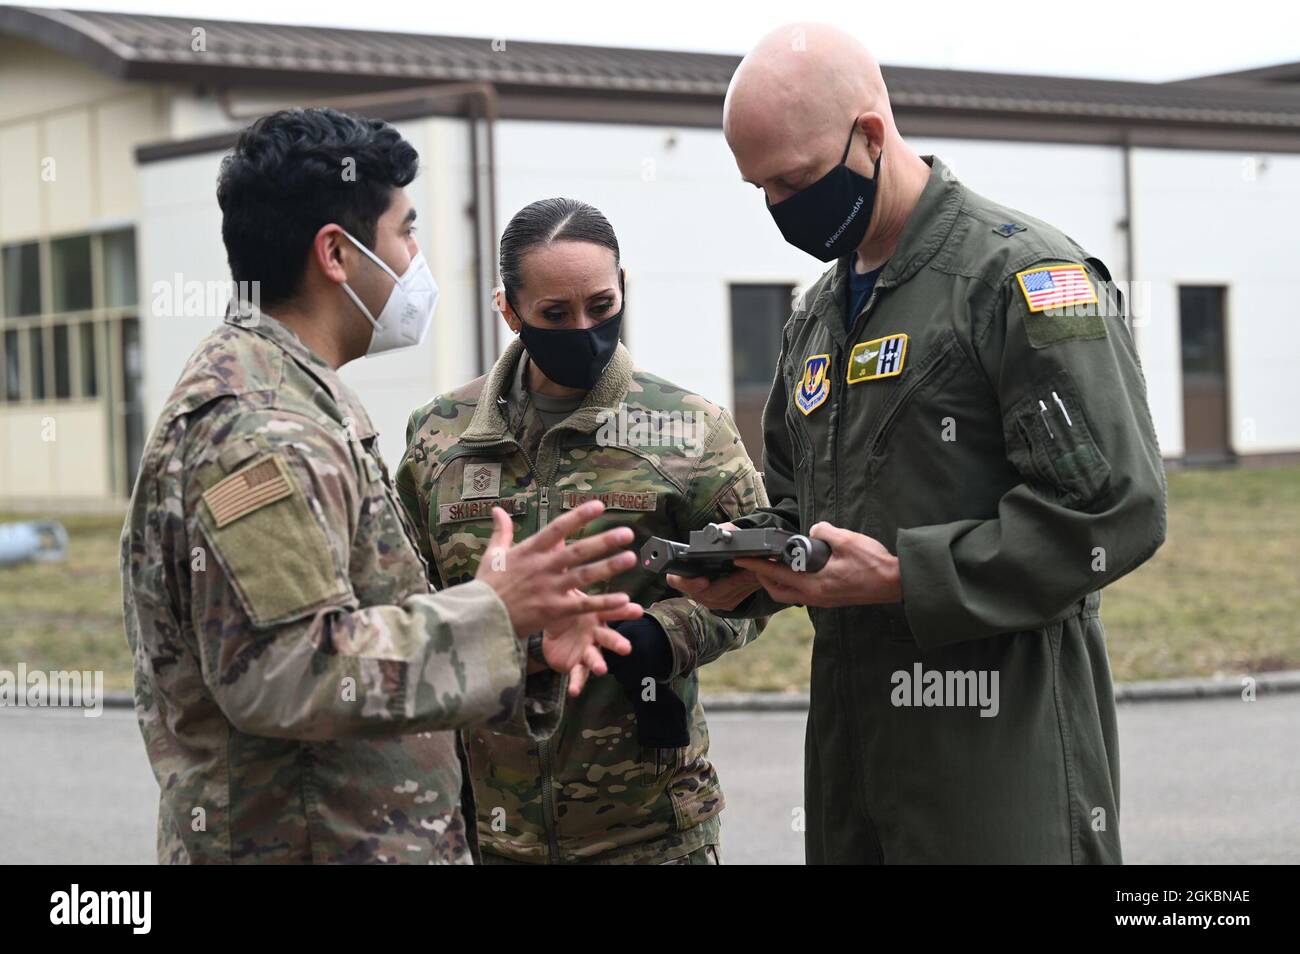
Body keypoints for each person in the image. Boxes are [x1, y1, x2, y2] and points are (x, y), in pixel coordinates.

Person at [674, 24, 1167, 863]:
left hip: (998, 762)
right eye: (759, 187)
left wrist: (908, 578)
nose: (779, 208)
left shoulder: (1024, 281)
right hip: (854, 765)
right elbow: (804, 503)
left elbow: (1114, 510)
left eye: (794, 180)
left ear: (870, 135)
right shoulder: (819, 314)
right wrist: (752, 573)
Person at [120, 109, 643, 865]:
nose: (416, 257)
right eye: (405, 232)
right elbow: (288, 670)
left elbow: (353, 625)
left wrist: (517, 635)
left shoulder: (300, 398)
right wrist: (491, 613)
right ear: (336, 253)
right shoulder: (263, 428)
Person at [396, 197, 769, 864]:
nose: (586, 329)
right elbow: (405, 603)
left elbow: (753, 588)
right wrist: (510, 634)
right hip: (488, 825)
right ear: (509, 310)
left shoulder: (689, 430)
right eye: (556, 315)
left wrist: (656, 636)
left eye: (601, 306)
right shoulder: (439, 438)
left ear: (623, 287)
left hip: (651, 829)